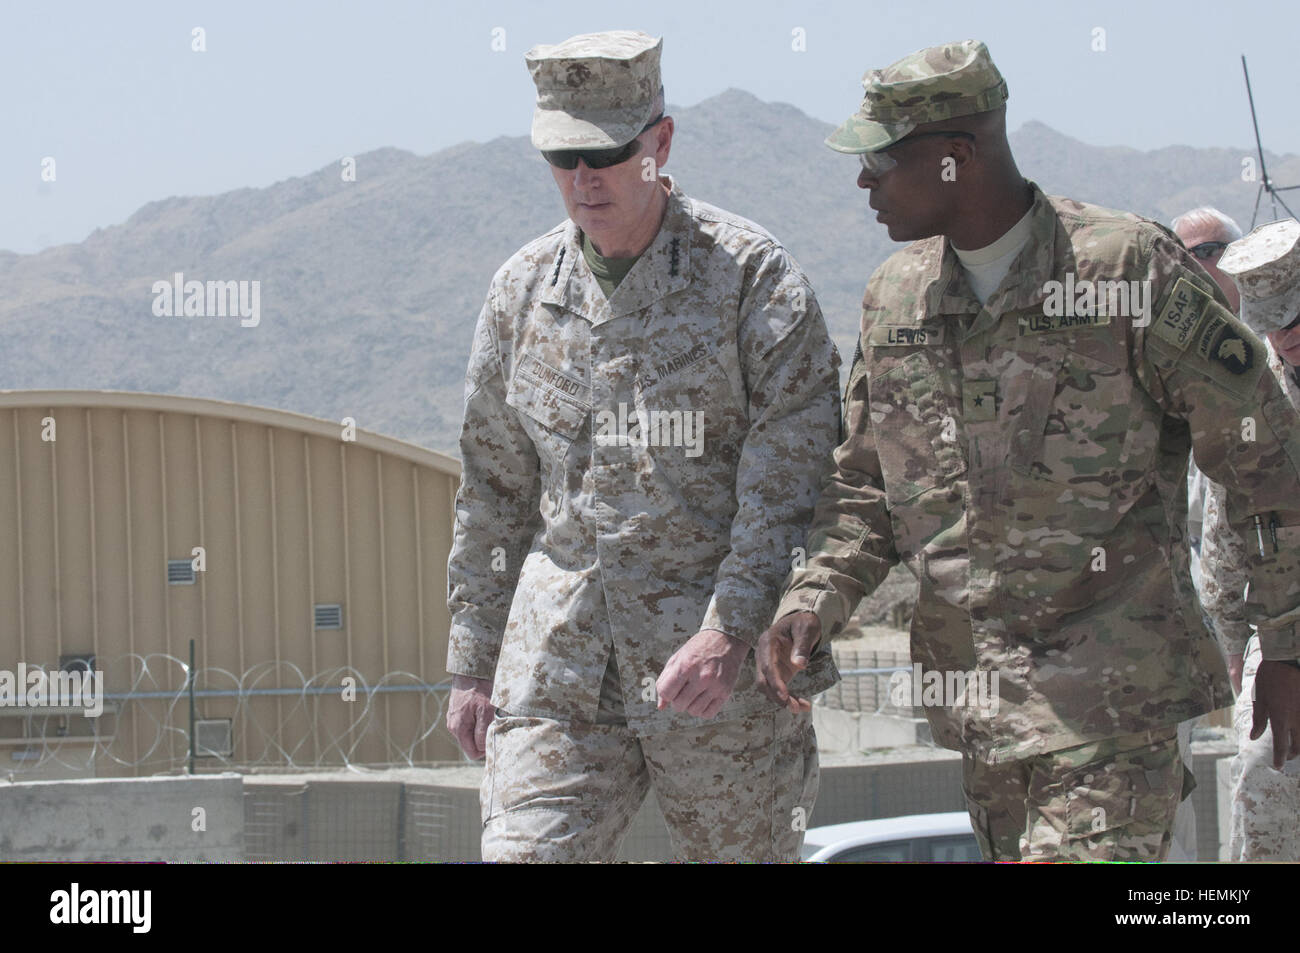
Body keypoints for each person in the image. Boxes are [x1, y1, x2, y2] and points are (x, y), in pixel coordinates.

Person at [756, 39, 1300, 861]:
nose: (863, 182)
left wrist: (1289, 639)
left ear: (955, 158)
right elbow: (868, 487)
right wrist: (815, 596)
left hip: (1114, 711)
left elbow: (1265, 456)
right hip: (982, 721)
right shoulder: (894, 298)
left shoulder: (1125, 270)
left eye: (880, 159)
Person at [444, 29, 841, 862]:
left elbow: (790, 484)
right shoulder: (521, 294)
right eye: (561, 157)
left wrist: (732, 628)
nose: (583, 181)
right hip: (561, 668)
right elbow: (493, 491)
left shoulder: (750, 282)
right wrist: (472, 663)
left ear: (659, 142)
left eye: (606, 154)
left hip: (718, 679)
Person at [1207, 219, 1300, 860]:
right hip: (1284, 626)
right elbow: (1223, 528)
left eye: (1296, 318)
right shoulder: (1252, 390)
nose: (1286, 339)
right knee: (1266, 771)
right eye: (1272, 325)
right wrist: (1236, 644)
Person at [1168, 206, 1247, 861]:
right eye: (1183, 254)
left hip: (1271, 630)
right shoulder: (1159, 369)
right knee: (1174, 805)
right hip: (1182, 634)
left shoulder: (1271, 359)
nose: (1197, 266)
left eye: (1210, 251)